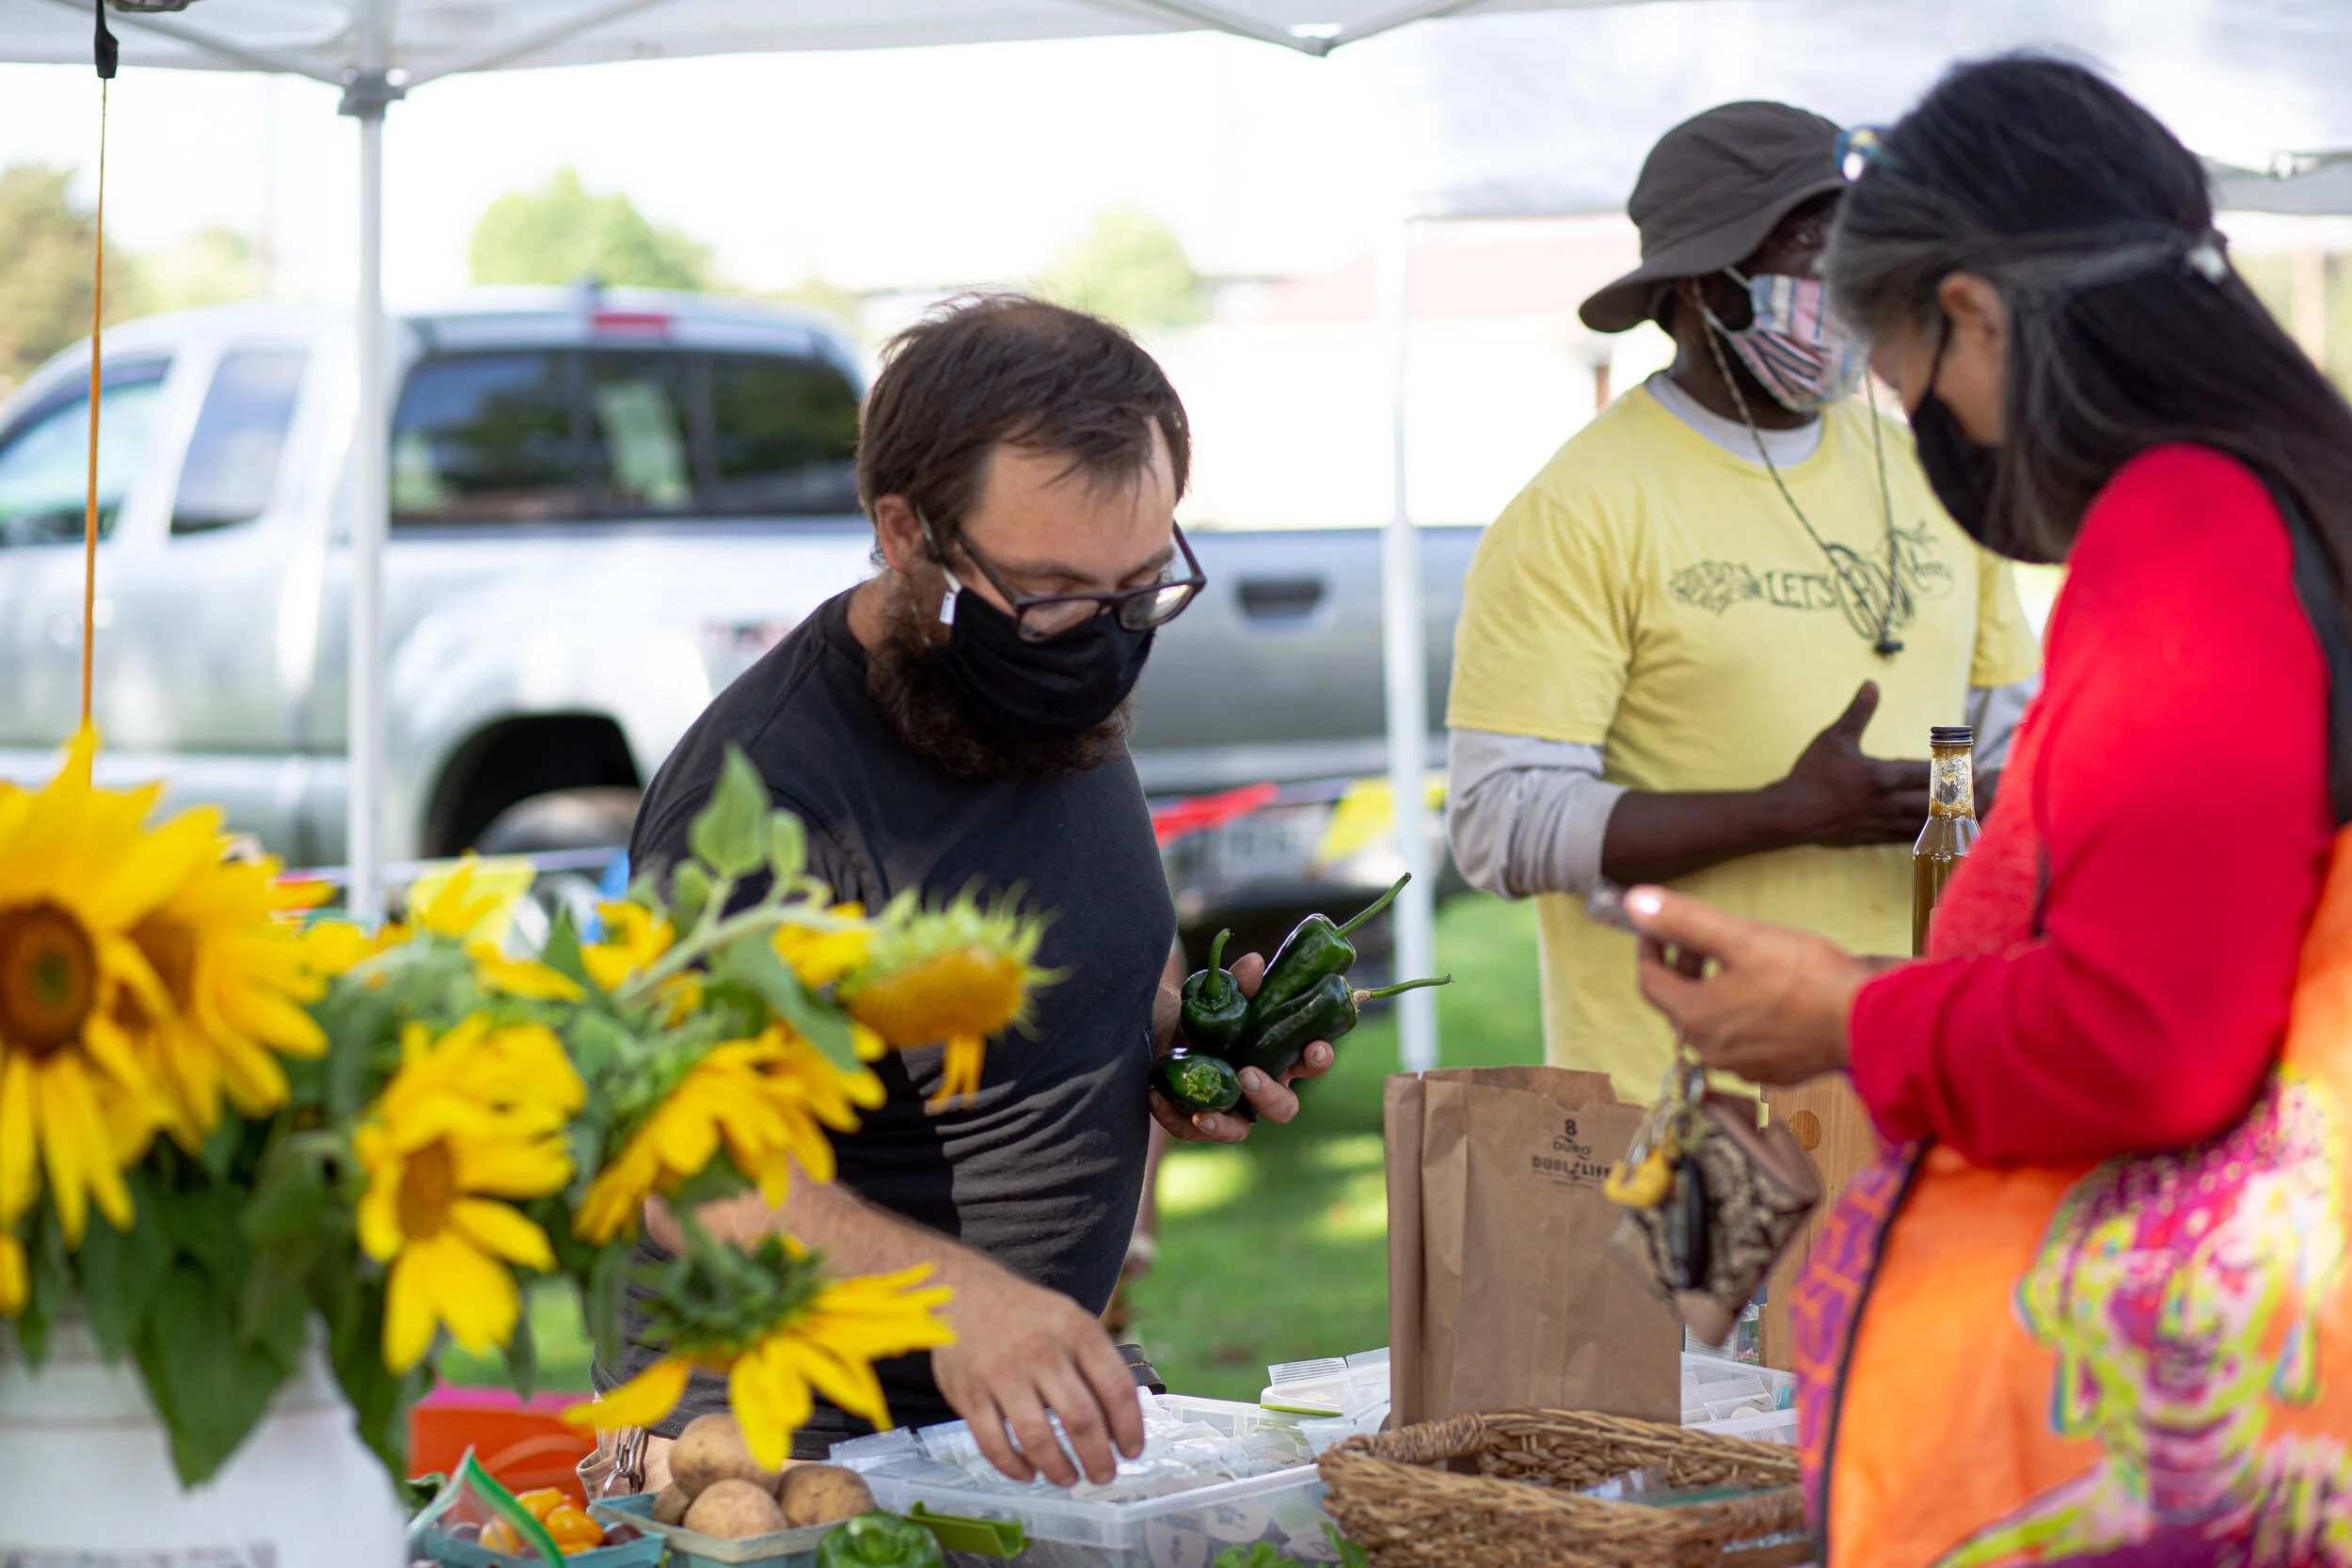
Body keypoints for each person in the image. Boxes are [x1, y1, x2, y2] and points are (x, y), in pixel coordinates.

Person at [1626, 56, 2352, 1566]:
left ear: (1974, 311)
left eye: (1911, 386)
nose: (1934, 433)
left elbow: (2144, 1040)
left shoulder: (2187, 526)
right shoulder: (2287, 497)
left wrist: (1847, 1015)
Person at [589, 294, 1334, 1491]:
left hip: (1002, 1439)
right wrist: (967, 1302)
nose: (1095, 640)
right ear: (904, 529)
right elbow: (692, 1168)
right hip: (774, 1461)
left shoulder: (1053, 698)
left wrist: (1172, 1050)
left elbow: (1077, 974)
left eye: (1136, 591)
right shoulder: (767, 795)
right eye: (1046, 595)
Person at [1445, 100, 2043, 1107]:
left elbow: (2014, 735)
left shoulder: (1935, 467)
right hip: (1678, 1114)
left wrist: (1966, 797)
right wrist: (1787, 813)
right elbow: (1497, 822)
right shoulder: (1578, 508)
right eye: (1811, 242)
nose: (1848, 278)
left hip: (1915, 1070)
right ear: (1696, 282)